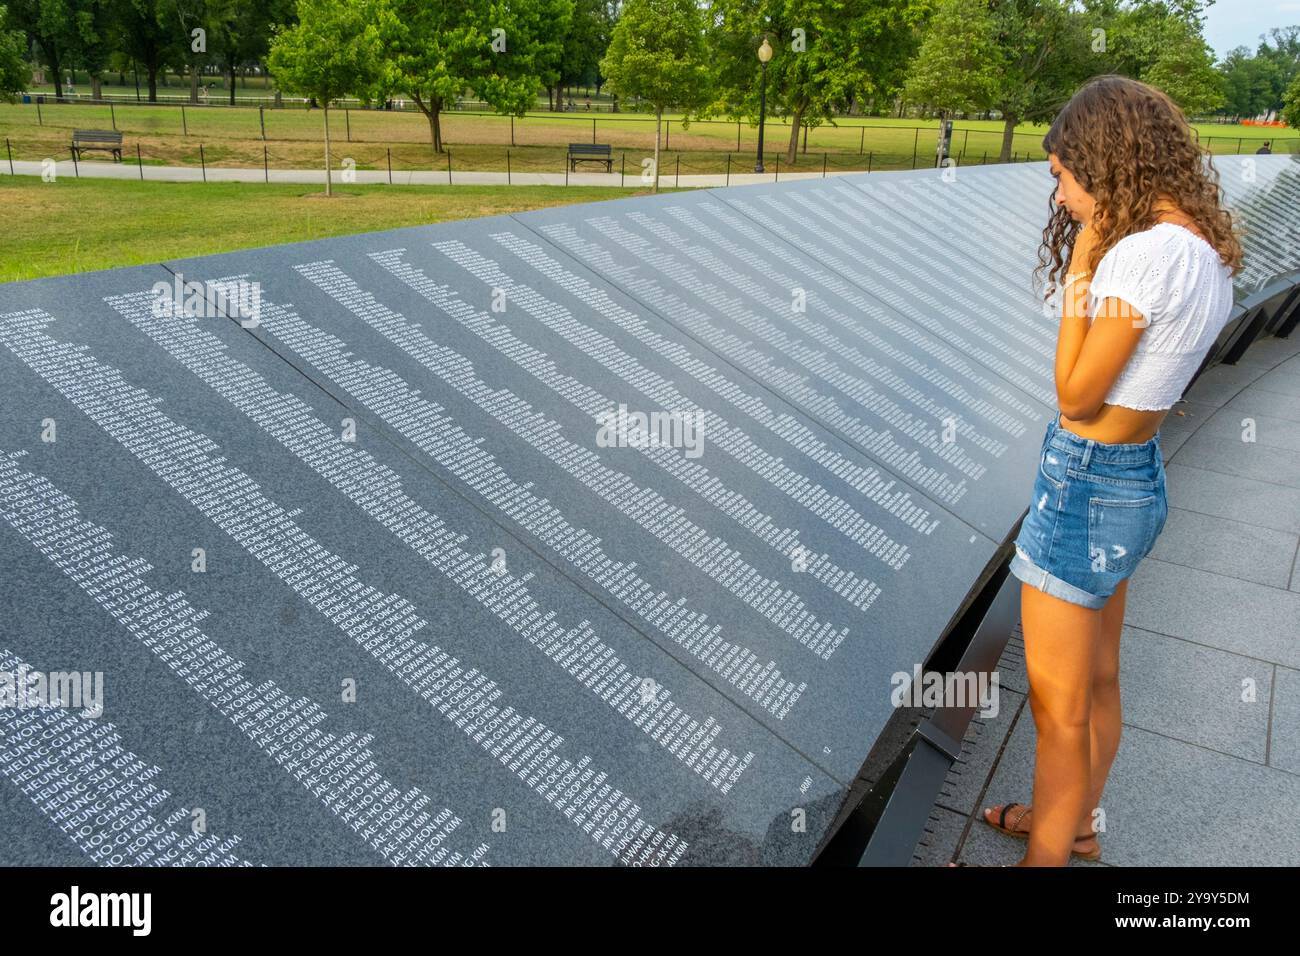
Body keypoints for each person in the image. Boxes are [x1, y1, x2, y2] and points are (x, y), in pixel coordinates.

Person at [951, 75, 1243, 867]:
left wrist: (1083, 265)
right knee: (1101, 681)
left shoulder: (1140, 257)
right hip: (1135, 477)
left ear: (1101, 160)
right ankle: (1077, 826)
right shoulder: (1205, 250)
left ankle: (1046, 860)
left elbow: (1077, 396)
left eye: (1061, 175)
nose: (1059, 195)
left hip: (1085, 481)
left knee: (1057, 707)